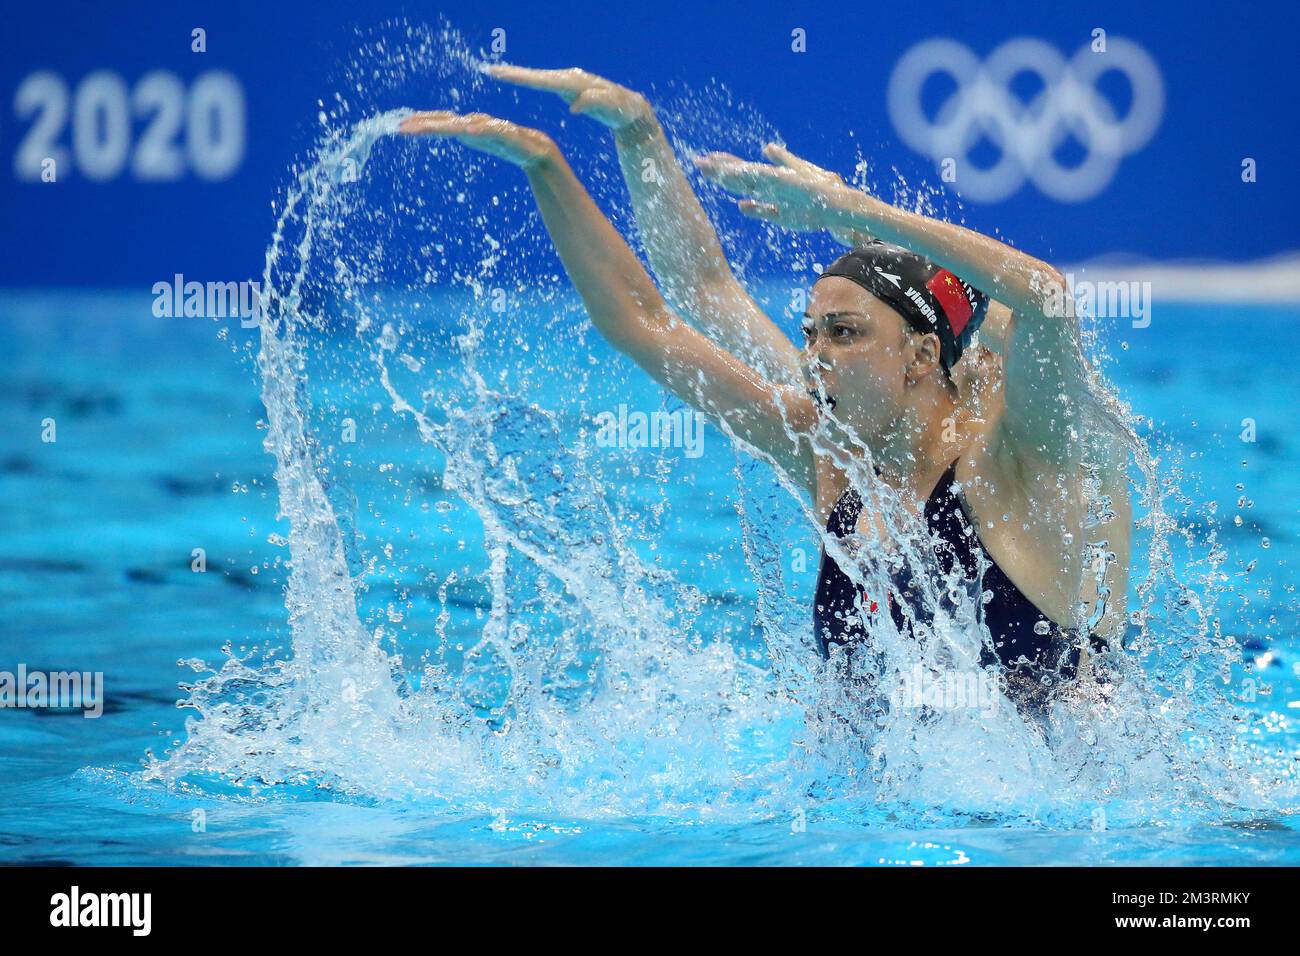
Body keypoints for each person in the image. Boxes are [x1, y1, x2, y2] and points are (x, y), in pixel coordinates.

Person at [398, 64, 1132, 714]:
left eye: (842, 333)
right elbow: (662, 312)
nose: (813, 357)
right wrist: (581, 152)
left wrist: (857, 215)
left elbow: (1048, 298)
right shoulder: (830, 450)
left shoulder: (1018, 460)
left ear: (921, 353)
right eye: (810, 333)